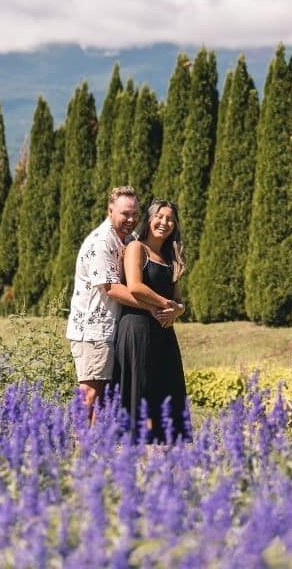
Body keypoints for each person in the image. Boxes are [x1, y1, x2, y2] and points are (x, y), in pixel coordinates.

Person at [65, 185, 174, 423]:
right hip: (93, 332)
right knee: (91, 393)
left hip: (113, 328)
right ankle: (77, 450)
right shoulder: (101, 242)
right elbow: (112, 288)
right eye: (126, 213)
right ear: (110, 210)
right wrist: (154, 307)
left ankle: (96, 448)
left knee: (105, 397)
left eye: (135, 213)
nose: (132, 218)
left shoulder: (128, 239)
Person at [116, 198, 190, 443]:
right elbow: (135, 286)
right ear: (149, 219)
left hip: (163, 332)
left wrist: (177, 310)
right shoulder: (137, 248)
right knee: (143, 388)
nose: (164, 222)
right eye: (159, 216)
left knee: (167, 388)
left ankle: (165, 449)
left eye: (170, 219)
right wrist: (165, 304)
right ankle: (135, 448)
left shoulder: (171, 257)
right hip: (138, 328)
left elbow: (178, 300)